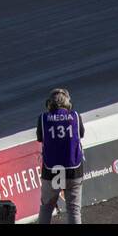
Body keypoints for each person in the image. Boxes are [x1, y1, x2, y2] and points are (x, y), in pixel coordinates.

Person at [37, 89, 84, 225]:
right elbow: (81, 134)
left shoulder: (43, 118)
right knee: (74, 210)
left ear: (49, 104)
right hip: (73, 168)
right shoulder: (75, 116)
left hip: (51, 170)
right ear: (68, 103)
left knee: (46, 208)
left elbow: (40, 137)